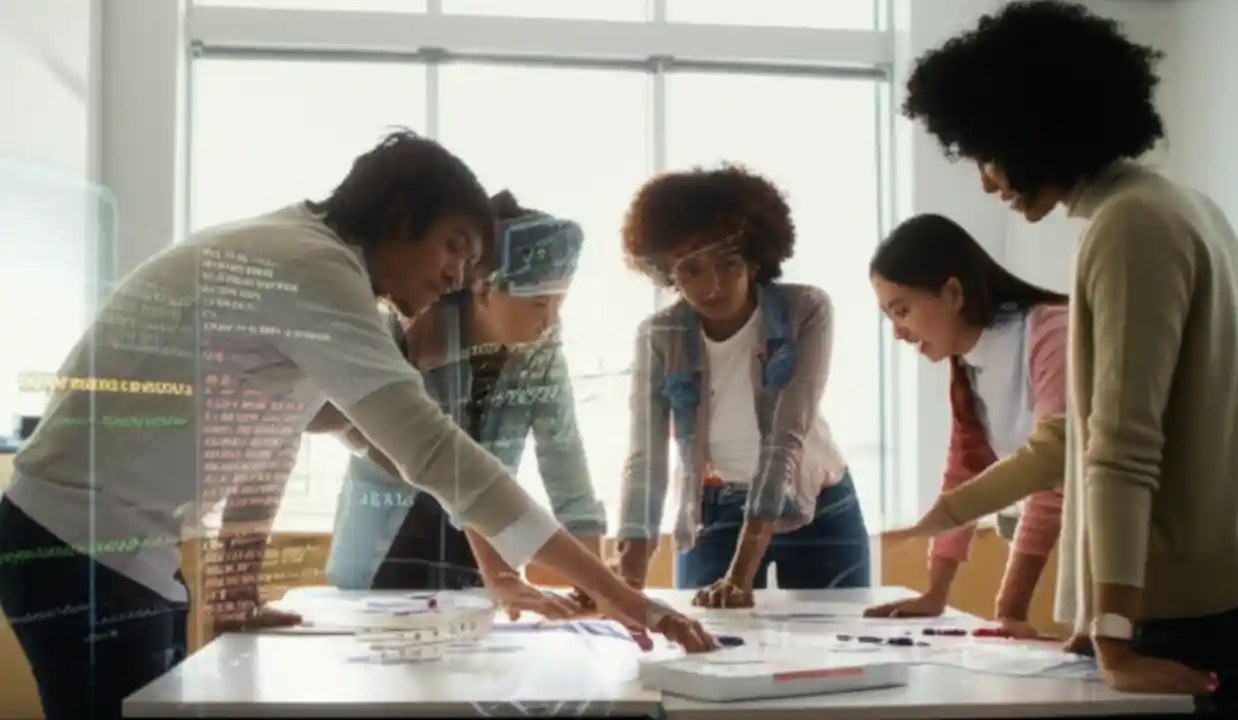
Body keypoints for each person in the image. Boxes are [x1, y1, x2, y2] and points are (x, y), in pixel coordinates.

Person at [0, 130, 713, 720]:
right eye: (456, 246)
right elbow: (431, 449)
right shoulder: (312, 270)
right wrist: (628, 600)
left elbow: (304, 431)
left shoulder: (303, 262)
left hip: (116, 543)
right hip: (78, 541)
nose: (460, 275)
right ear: (400, 216)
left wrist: (239, 588)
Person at [896, 1, 1238, 713]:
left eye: (986, 153)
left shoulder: (1129, 226)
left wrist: (1113, 635)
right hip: (1234, 577)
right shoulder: (1176, 204)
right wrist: (945, 515)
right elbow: (1071, 436)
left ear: (1033, 132)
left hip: (1194, 606)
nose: (987, 180)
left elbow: (1122, 447)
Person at [325, 189, 606, 620]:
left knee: (481, 665)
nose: (550, 320)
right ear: (484, 289)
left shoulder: (541, 354)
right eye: (539, 304)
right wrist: (502, 575)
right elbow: (448, 466)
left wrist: (596, 582)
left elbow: (564, 459)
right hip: (391, 538)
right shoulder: (410, 334)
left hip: (486, 535)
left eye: (559, 304)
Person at [615, 164, 871, 608]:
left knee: (833, 647)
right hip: (714, 507)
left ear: (754, 257)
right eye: (690, 270)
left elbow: (784, 440)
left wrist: (740, 576)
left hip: (818, 505)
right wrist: (628, 574)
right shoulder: (659, 335)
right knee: (704, 642)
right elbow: (646, 456)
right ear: (669, 275)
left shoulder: (805, 309)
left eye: (728, 263)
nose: (711, 285)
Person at [863, 213, 1067, 638]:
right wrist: (937, 593)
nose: (899, 332)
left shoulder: (1051, 334)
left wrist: (1009, 610)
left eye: (902, 310)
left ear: (953, 293)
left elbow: (1052, 471)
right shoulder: (967, 366)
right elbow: (965, 474)